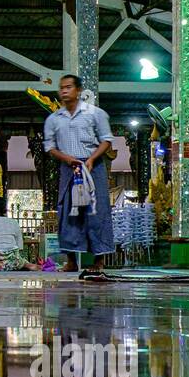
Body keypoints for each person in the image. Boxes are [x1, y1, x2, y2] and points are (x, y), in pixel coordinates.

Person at [43, 74, 115, 273]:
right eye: (61, 87)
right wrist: (66, 159)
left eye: (68, 87)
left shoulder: (96, 114)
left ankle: (99, 261)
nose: (64, 91)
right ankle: (71, 261)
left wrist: (91, 159)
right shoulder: (54, 119)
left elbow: (107, 140)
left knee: (96, 212)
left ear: (78, 90)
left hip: (94, 166)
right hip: (68, 167)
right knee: (69, 214)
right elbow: (49, 147)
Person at [0, 196, 39, 271]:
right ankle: (21, 265)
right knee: (20, 262)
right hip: (13, 260)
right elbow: (20, 247)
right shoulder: (14, 223)